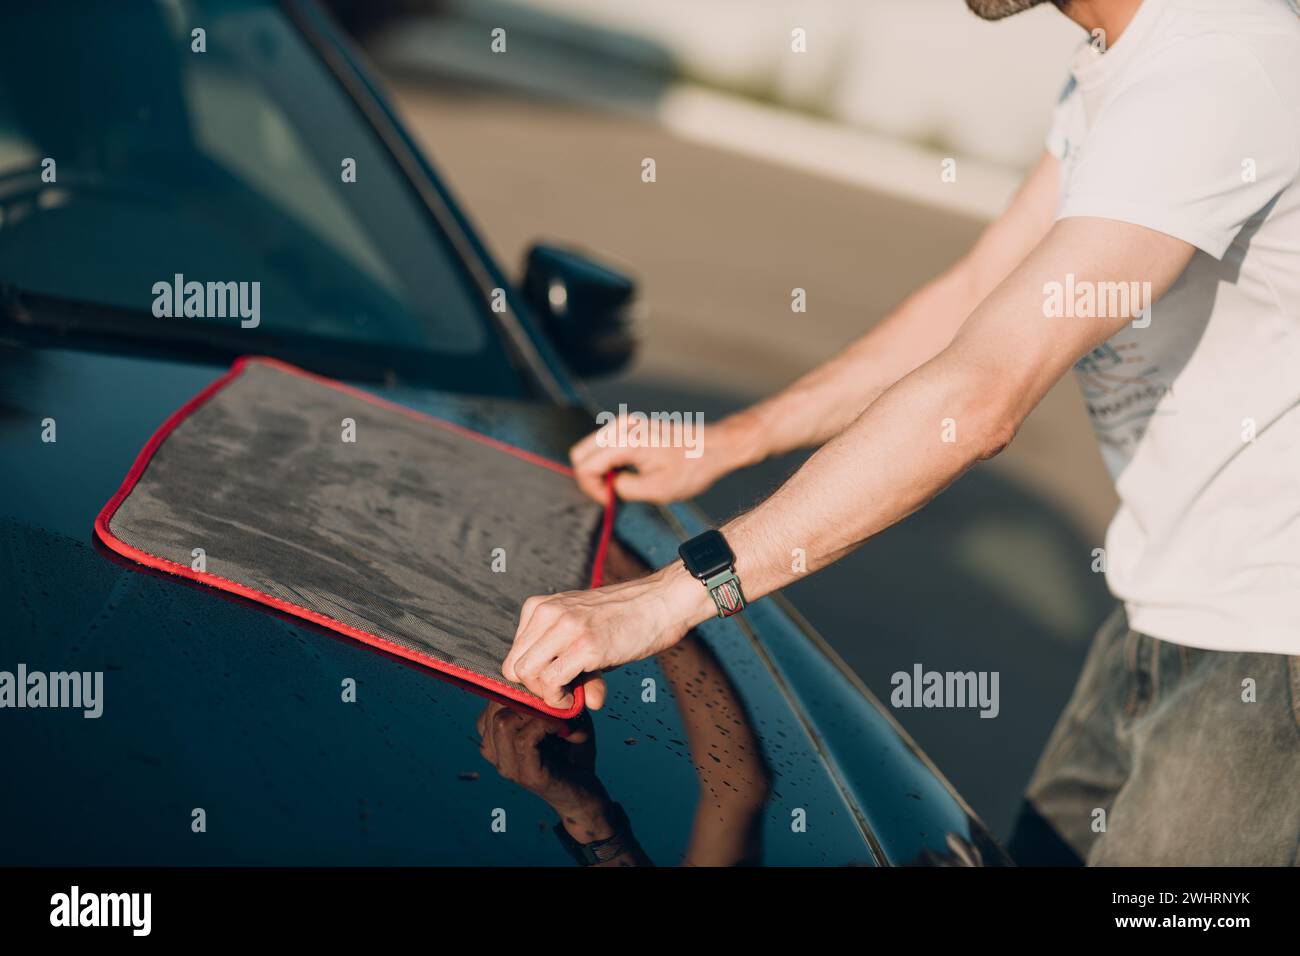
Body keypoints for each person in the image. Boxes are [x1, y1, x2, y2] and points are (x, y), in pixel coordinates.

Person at [504, 0, 1300, 865]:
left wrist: (672, 595)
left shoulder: (1219, 68)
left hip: (1267, 652)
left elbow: (980, 394)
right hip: (1165, 609)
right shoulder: (1115, 63)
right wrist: (733, 438)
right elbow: (971, 303)